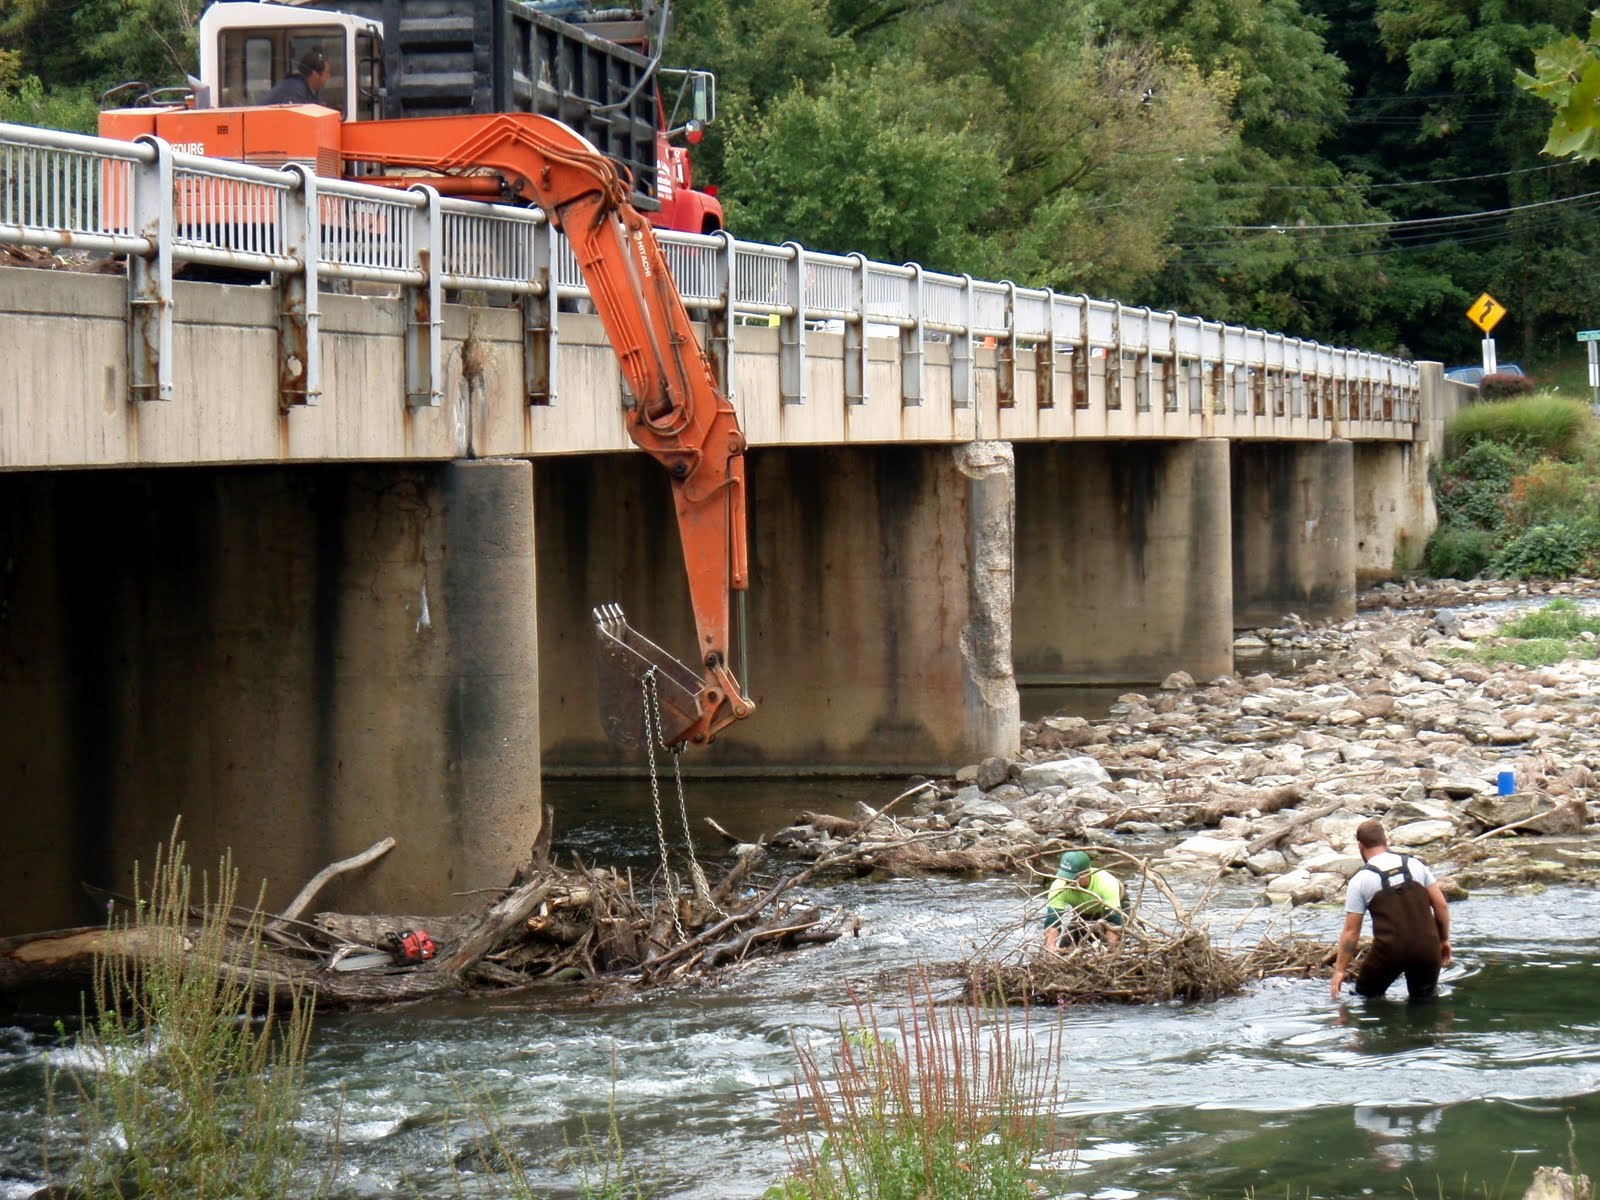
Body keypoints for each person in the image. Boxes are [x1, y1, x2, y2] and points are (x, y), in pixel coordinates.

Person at [1329, 819, 1452, 1002]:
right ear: (1386, 842)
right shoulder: (1415, 864)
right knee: (1424, 1002)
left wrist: (1339, 970)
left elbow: (1352, 931)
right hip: (1427, 948)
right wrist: (1443, 940)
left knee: (1365, 998)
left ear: (1360, 846)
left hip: (1389, 953)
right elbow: (1441, 905)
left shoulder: (1360, 880)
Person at [1043, 850, 1124, 951]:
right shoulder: (1059, 886)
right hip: (1083, 913)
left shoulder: (1106, 883)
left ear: (1087, 873)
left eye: (1073, 878)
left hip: (1115, 908)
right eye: (1066, 877)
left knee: (1113, 947)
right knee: (1065, 947)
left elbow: (1114, 921)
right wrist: (1051, 947)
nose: (1068, 882)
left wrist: (1109, 950)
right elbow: (1052, 921)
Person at [260, 50, 330, 106]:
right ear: (315, 74)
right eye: (326, 73)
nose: (328, 76)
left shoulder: (312, 91)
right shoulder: (295, 90)